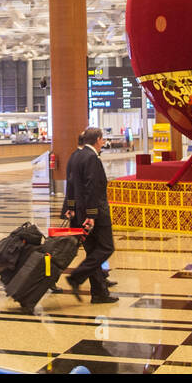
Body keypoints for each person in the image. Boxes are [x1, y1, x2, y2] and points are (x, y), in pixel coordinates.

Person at [63, 127, 118, 304]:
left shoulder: (76, 156)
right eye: (103, 140)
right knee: (107, 247)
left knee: (93, 251)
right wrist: (92, 215)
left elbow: (70, 185)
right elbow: (92, 187)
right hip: (95, 213)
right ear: (98, 140)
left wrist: (70, 207)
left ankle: (99, 293)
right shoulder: (92, 157)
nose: (103, 143)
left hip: (80, 212)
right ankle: (76, 277)